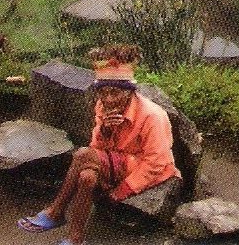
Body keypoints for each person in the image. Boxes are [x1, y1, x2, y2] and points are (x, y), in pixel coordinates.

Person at [17, 44, 180, 245]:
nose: (108, 99)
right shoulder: (102, 106)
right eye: (103, 92)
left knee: (82, 155)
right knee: (86, 177)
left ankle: (55, 212)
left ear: (129, 92)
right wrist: (106, 130)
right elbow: (97, 147)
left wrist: (124, 189)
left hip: (143, 167)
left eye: (115, 93)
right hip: (112, 163)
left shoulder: (152, 115)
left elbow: (157, 162)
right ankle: (76, 239)